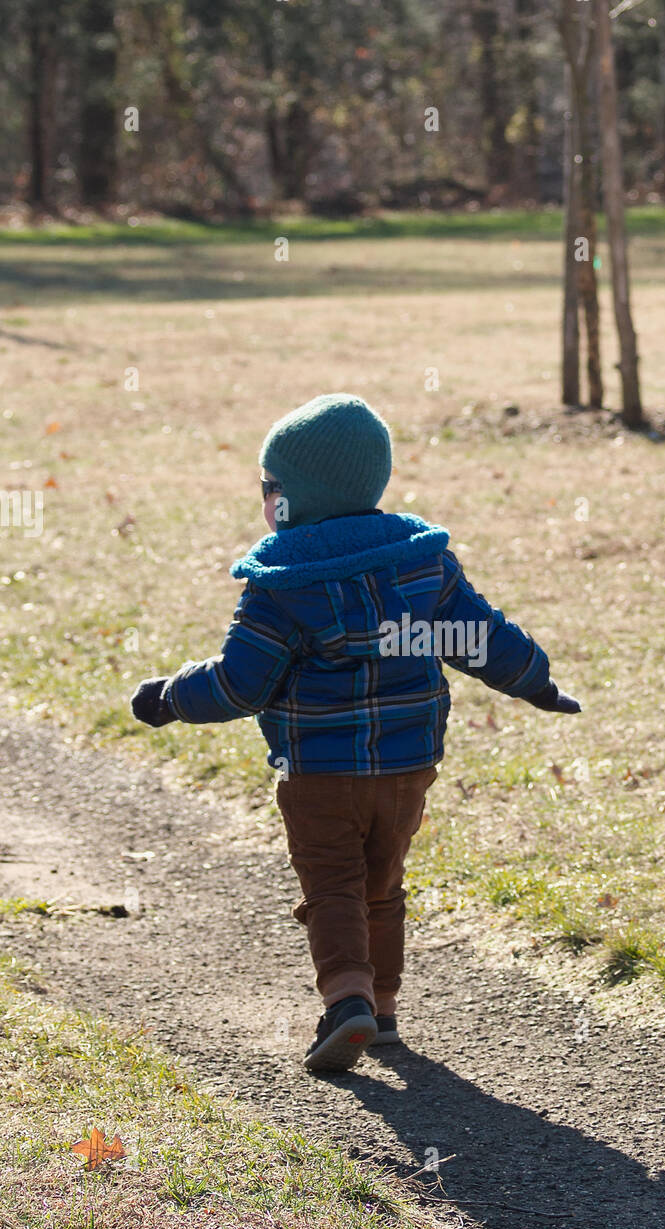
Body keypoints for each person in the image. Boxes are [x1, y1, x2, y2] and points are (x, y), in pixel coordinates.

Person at [131, 393, 581, 1073]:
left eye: (268, 487)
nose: (264, 500)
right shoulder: (423, 565)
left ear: (290, 499)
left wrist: (170, 697)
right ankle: (386, 1009)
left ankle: (347, 1001)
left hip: (319, 772)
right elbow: (480, 637)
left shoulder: (282, 586)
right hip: (408, 766)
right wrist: (537, 682)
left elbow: (241, 683)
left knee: (333, 884)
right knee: (382, 881)